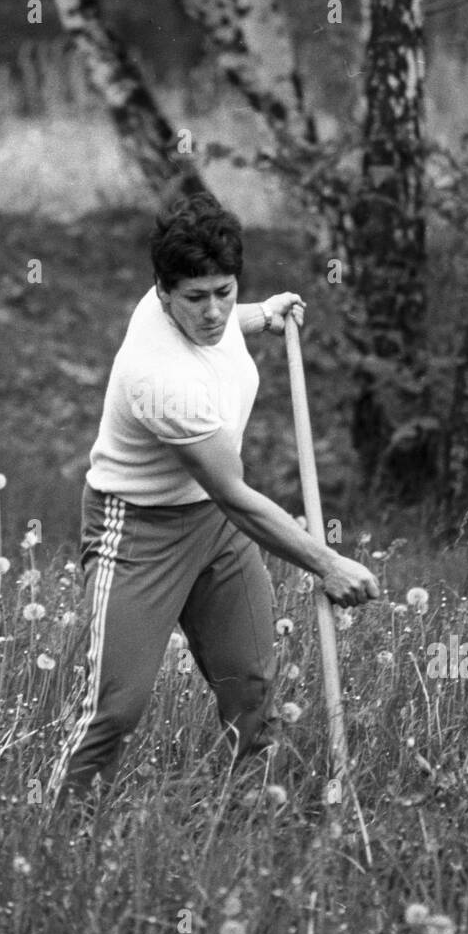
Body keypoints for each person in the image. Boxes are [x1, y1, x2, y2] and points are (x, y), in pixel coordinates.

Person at [48, 193, 378, 802]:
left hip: (214, 526)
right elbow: (236, 498)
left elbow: (225, 322)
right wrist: (326, 563)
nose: (213, 312)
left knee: (250, 686)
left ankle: (256, 815)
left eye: (224, 290)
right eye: (195, 298)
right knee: (115, 708)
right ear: (161, 292)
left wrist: (261, 313)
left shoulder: (213, 311)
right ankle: (53, 837)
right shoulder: (162, 378)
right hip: (140, 531)